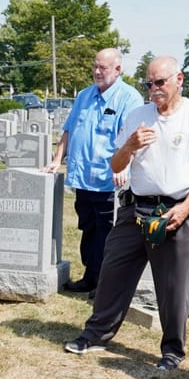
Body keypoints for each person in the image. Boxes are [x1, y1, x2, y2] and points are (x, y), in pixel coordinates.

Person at [63, 56, 189, 373]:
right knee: (112, 272)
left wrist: (185, 207)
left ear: (179, 79)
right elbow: (117, 166)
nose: (153, 89)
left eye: (159, 82)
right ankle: (95, 335)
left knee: (172, 285)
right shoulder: (138, 116)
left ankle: (172, 351)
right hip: (135, 207)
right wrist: (130, 145)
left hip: (176, 209)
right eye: (148, 83)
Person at [46, 48, 144, 296]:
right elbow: (69, 129)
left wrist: (125, 166)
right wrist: (58, 159)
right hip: (83, 177)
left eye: (103, 68)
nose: (97, 72)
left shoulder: (129, 98)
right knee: (88, 229)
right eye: (95, 67)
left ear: (118, 69)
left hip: (108, 179)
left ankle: (106, 284)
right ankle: (91, 277)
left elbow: (133, 138)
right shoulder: (84, 96)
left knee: (108, 234)